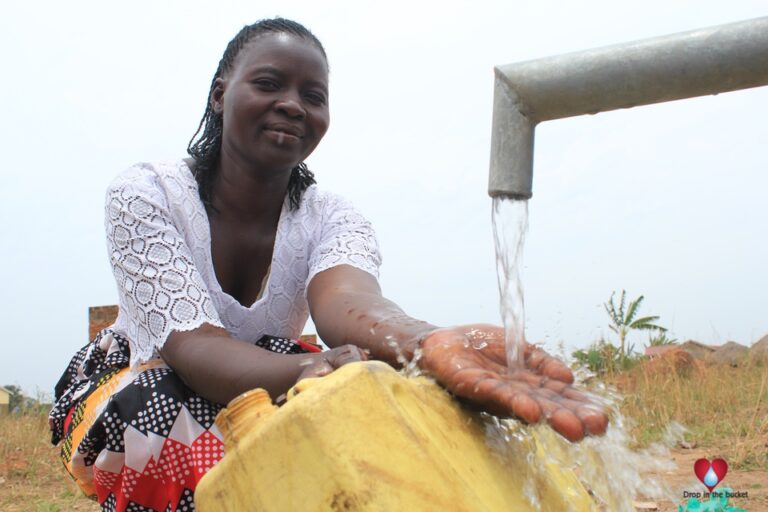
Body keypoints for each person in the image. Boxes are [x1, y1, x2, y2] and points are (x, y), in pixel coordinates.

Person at [49, 17, 608, 512]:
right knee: (166, 409)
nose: (293, 104)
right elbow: (193, 348)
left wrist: (427, 341)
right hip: (140, 382)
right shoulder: (147, 193)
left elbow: (349, 306)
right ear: (221, 95)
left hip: (265, 375)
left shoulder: (332, 217)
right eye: (268, 84)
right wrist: (310, 371)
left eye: (312, 95)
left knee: (387, 389)